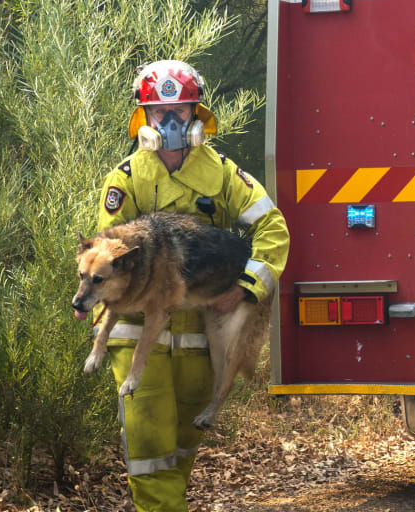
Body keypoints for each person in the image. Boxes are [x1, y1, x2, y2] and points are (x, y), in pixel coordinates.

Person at [93, 59, 289, 511]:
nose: (170, 121)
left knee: (183, 442)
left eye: (180, 111)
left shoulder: (220, 173)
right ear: (143, 117)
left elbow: (273, 228)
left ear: (196, 114)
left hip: (202, 332)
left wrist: (245, 287)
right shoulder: (125, 178)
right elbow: (105, 253)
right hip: (137, 331)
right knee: (147, 441)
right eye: (159, 112)